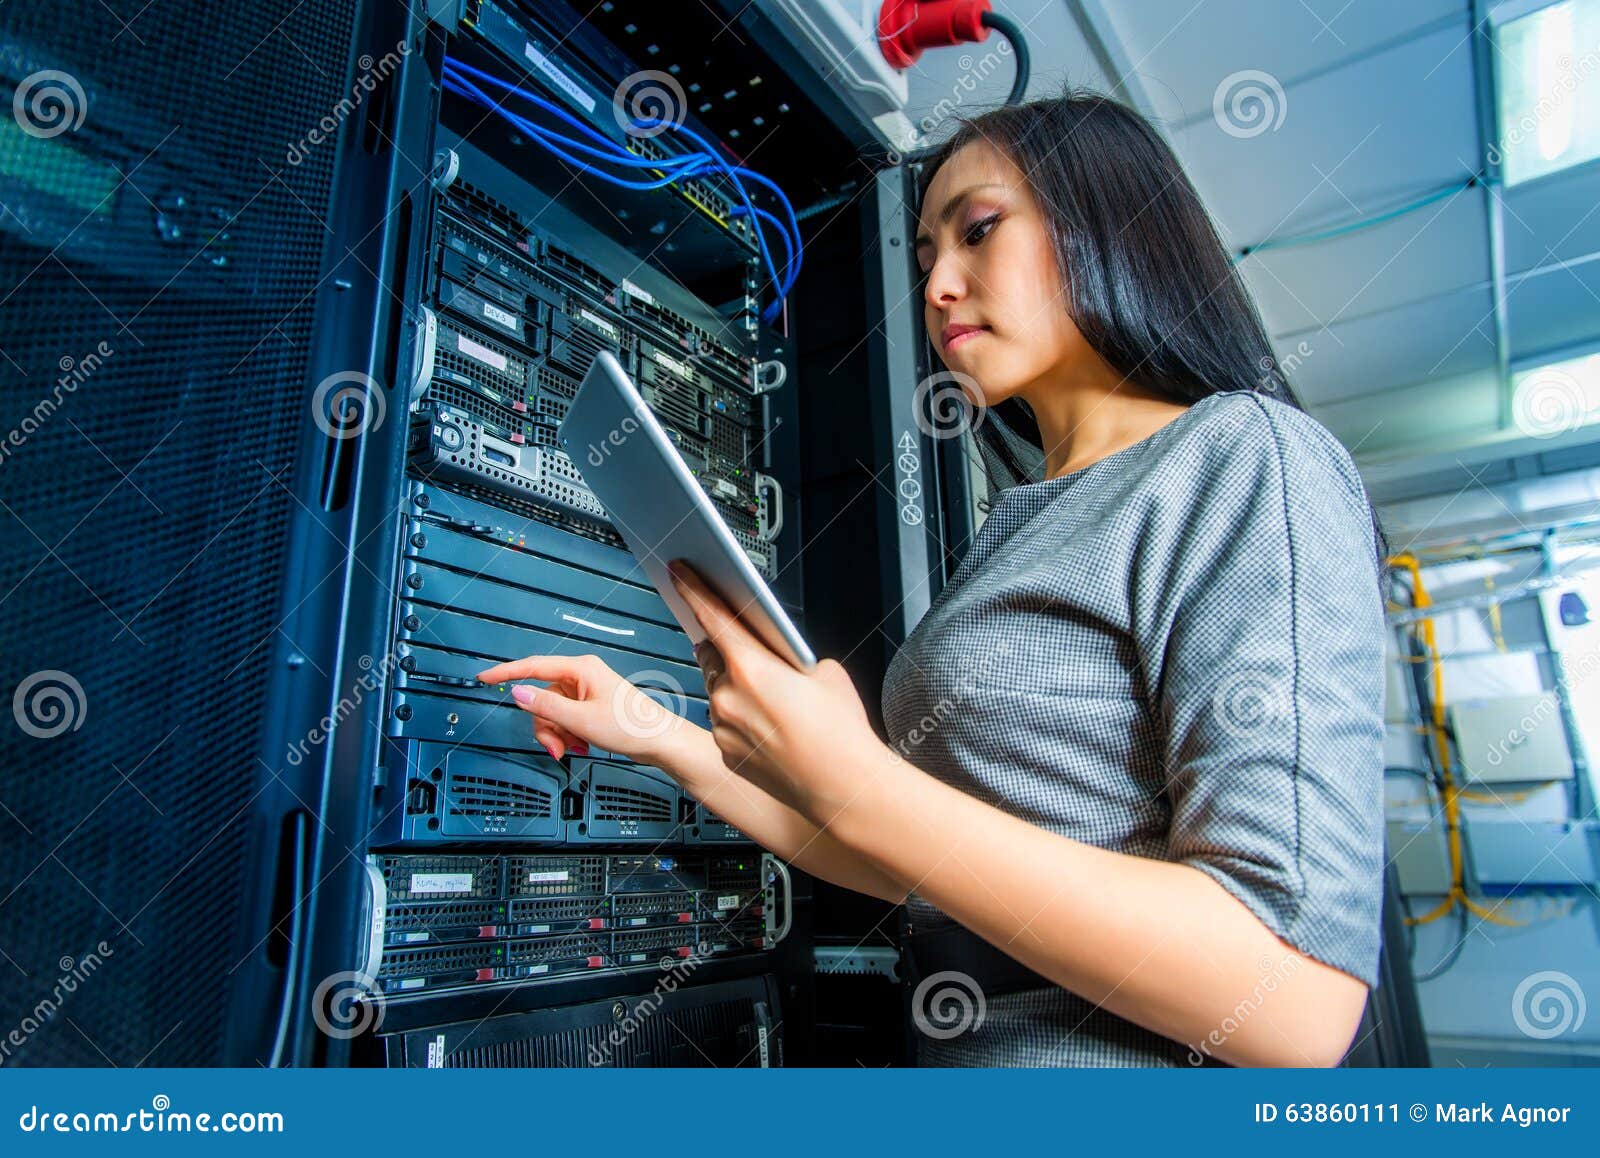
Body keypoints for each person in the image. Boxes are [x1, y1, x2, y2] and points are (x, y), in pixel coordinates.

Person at [475, 90, 1388, 1068]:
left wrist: (861, 779)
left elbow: (1293, 1001)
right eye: (922, 261)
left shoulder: (1246, 459)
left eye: (979, 231)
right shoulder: (1023, 519)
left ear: (1109, 226)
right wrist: (662, 738)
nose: (940, 285)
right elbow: (918, 864)